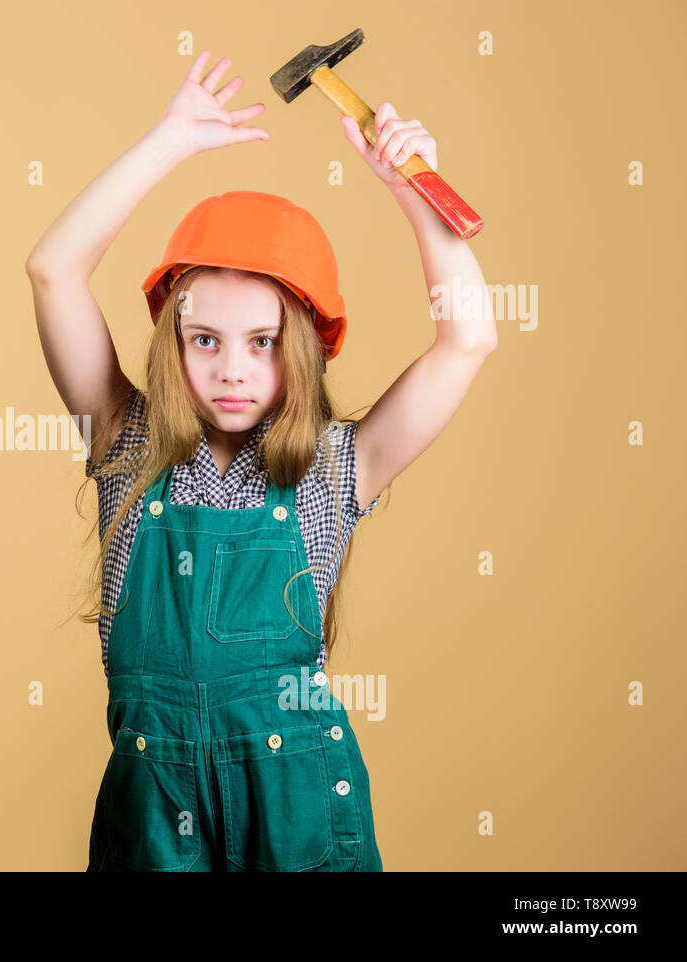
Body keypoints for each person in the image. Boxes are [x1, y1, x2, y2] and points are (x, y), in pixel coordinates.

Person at [26, 51, 495, 871]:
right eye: (204, 339)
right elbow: (53, 270)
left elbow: (468, 338)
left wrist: (409, 189)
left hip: (299, 808)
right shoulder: (126, 445)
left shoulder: (333, 468)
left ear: (304, 351)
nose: (232, 368)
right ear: (174, 340)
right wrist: (168, 141)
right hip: (155, 809)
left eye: (263, 343)